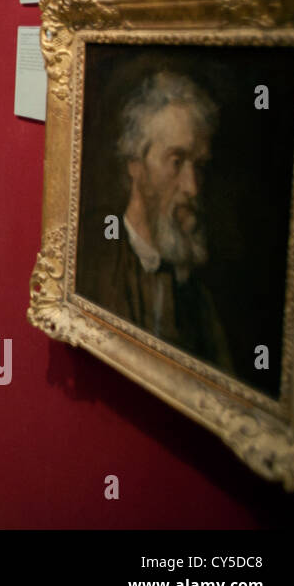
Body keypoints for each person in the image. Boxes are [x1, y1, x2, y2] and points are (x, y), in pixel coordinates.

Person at [83, 70, 232, 371]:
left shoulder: (200, 299)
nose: (192, 186)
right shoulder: (91, 258)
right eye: (176, 162)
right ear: (135, 164)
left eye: (199, 166)